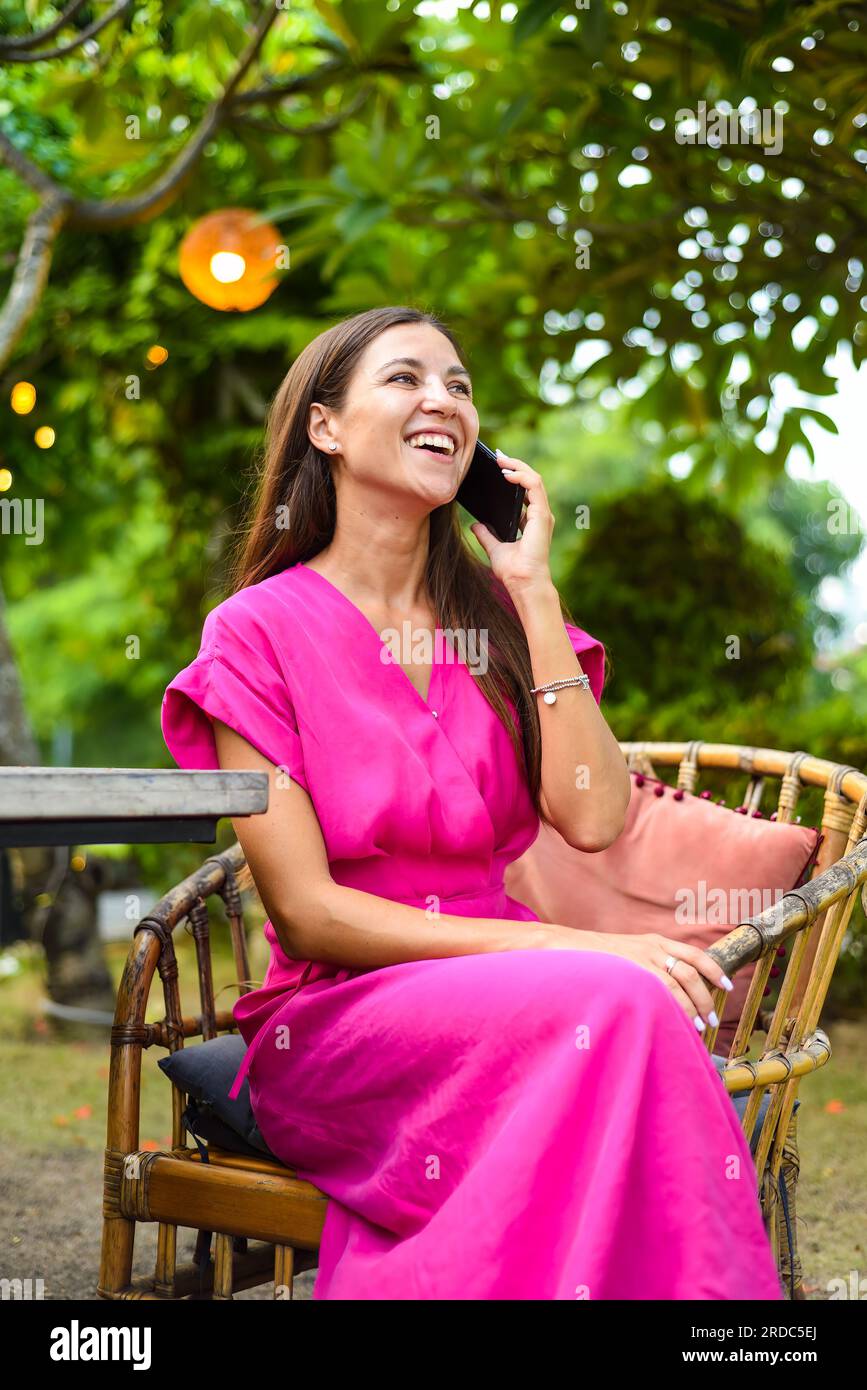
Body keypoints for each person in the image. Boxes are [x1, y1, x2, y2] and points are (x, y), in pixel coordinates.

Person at [161, 305, 784, 1301]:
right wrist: (571, 946)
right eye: (405, 378)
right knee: (620, 999)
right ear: (324, 426)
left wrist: (532, 591)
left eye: (457, 384)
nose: (442, 399)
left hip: (515, 997)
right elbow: (308, 912)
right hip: (341, 1018)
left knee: (617, 1011)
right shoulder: (254, 634)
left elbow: (592, 817)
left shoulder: (494, 615)